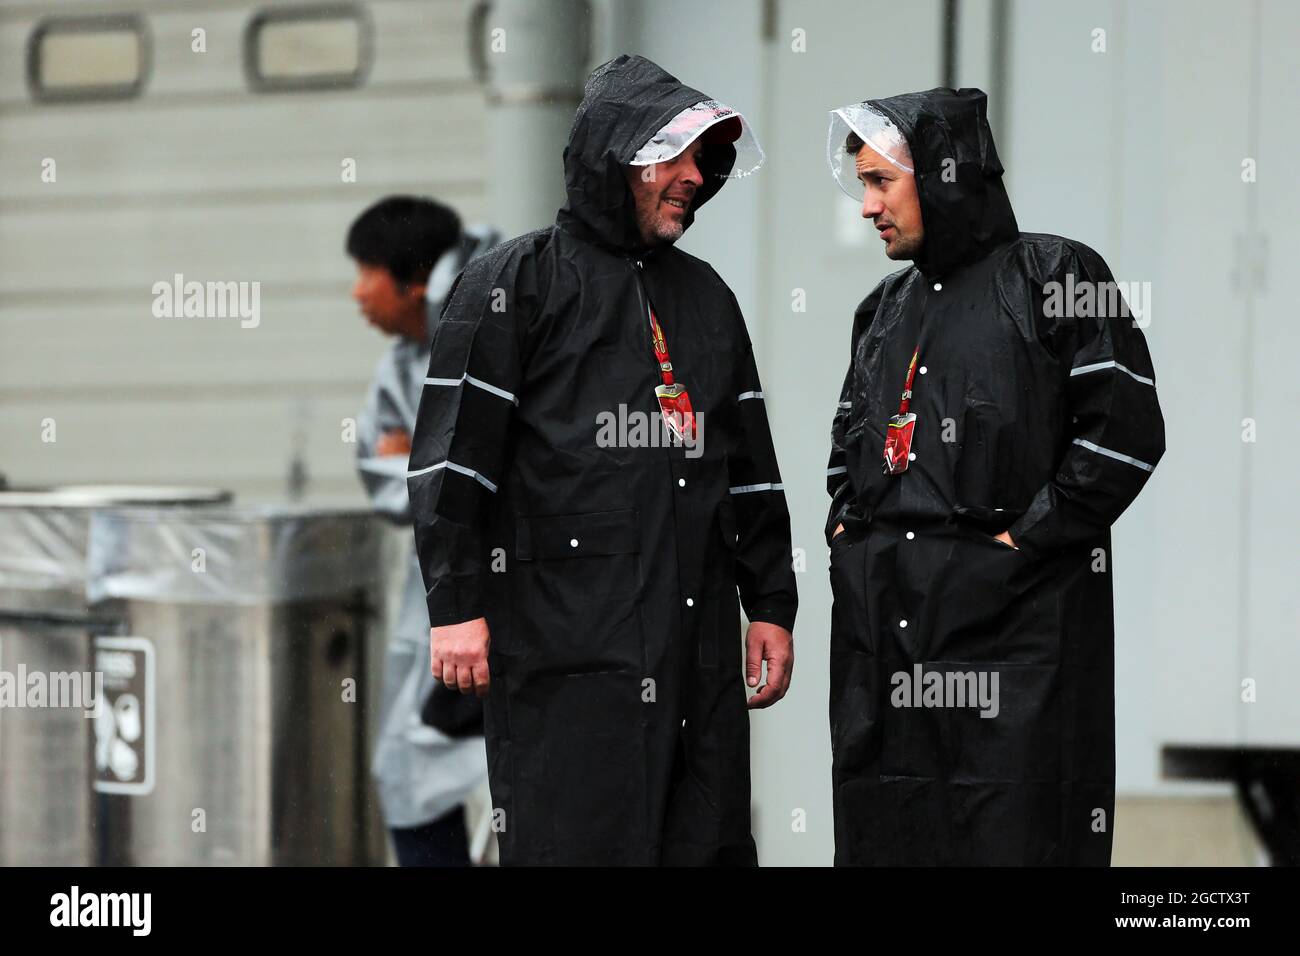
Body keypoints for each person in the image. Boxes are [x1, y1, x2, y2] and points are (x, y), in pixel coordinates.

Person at [406, 54, 797, 866]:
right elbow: (454, 459)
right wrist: (454, 606)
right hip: (566, 653)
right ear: (615, 157)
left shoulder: (707, 297)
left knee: (707, 847)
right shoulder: (513, 282)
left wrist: (770, 602)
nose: (695, 178)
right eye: (675, 158)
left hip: (697, 659)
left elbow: (750, 466)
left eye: (704, 160)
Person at [824, 90, 1165, 865]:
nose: (868, 207)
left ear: (941, 176)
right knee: (888, 833)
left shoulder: (1057, 275)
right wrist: (850, 539)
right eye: (863, 185)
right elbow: (848, 450)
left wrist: (1017, 546)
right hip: (884, 649)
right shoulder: (882, 309)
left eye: (881, 183)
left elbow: (1125, 432)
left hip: (1016, 650)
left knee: (1014, 834)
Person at [347, 196, 498, 866]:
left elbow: (494, 475)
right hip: (430, 608)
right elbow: (378, 467)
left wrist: (418, 458)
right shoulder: (402, 361)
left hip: (497, 604)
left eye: (366, 272)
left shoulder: (488, 339)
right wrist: (433, 467)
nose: (357, 292)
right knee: (408, 774)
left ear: (413, 281)